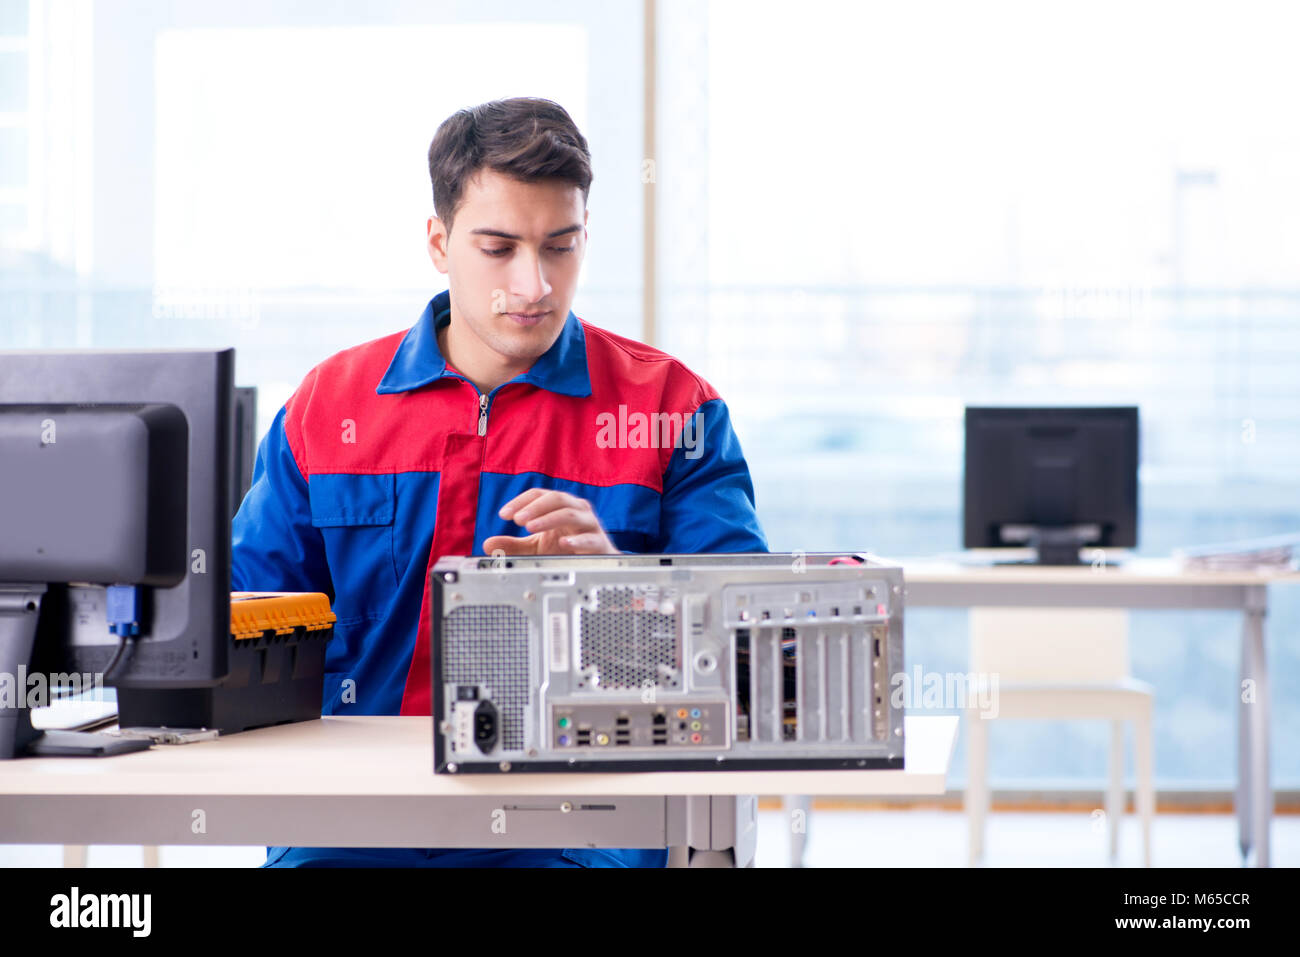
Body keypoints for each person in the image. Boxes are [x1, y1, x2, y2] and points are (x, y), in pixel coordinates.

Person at [231, 97, 768, 867]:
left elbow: (745, 661)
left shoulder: (672, 410)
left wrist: (619, 592)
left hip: (572, 828)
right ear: (439, 242)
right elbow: (243, 621)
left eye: (560, 246)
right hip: (352, 828)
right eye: (499, 247)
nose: (534, 283)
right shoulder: (326, 409)